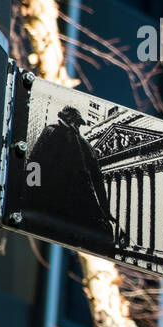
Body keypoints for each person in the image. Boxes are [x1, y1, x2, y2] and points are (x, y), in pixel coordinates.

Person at [27, 105, 116, 253]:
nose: (78, 126)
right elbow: (34, 162)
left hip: (79, 204)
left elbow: (98, 180)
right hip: (52, 201)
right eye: (76, 122)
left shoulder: (85, 146)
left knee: (102, 238)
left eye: (79, 123)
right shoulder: (51, 131)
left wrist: (105, 211)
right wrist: (32, 192)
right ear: (66, 119)